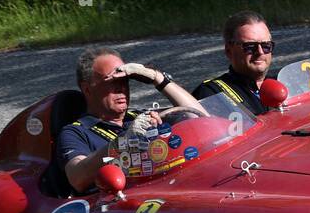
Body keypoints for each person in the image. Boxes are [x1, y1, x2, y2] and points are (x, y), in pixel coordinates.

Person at [45, 47, 204, 197]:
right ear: (87, 89)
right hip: (120, 205)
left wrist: (157, 78)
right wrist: (123, 142)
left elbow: (200, 117)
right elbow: (78, 176)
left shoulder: (141, 116)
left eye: (125, 81)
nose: (121, 88)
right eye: (111, 82)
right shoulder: (76, 132)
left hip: (171, 187)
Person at [192, 10, 274, 116]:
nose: (260, 52)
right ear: (229, 51)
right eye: (249, 47)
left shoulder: (285, 83)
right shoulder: (212, 93)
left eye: (266, 46)